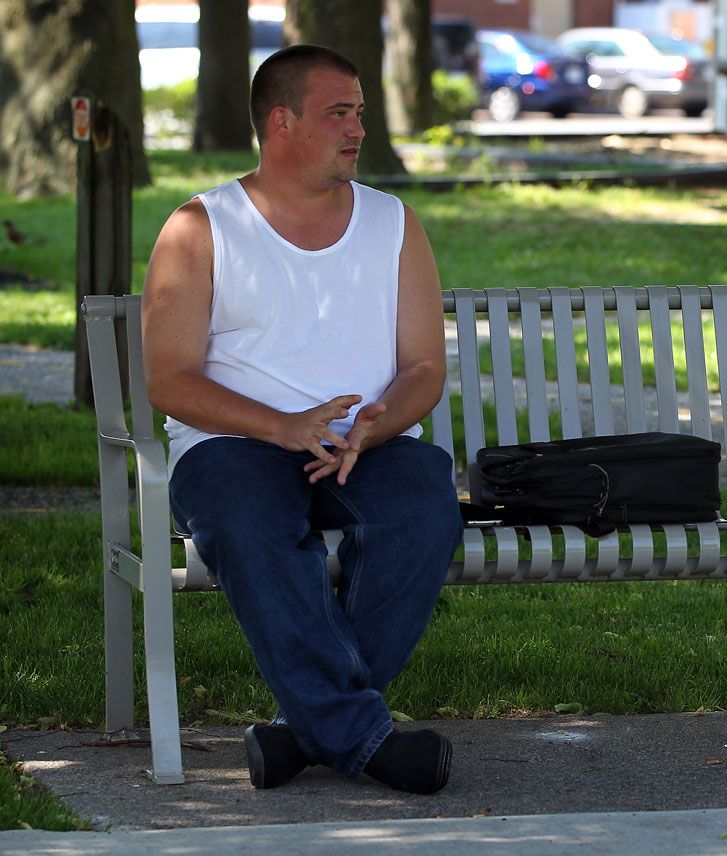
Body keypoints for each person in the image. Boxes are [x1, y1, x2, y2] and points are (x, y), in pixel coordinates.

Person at [141, 44, 464, 795]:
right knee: (252, 528)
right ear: (281, 122)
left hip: (365, 444)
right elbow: (170, 379)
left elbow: (423, 367)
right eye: (339, 113)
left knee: (422, 510)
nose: (357, 129)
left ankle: (305, 734)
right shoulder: (200, 228)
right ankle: (362, 737)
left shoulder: (392, 223)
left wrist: (374, 428)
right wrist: (281, 426)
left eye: (360, 113)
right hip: (234, 444)